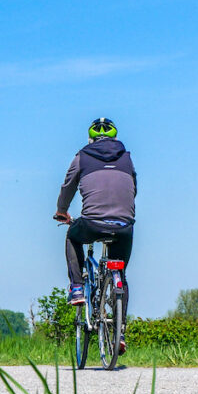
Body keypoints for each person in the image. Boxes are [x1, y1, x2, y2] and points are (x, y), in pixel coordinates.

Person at [54, 117, 137, 351]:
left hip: (92, 223)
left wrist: (62, 211)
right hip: (124, 224)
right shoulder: (126, 158)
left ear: (90, 139)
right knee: (120, 270)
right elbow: (134, 188)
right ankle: (120, 332)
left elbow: (68, 187)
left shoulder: (82, 156)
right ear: (115, 138)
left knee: (72, 235)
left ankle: (77, 287)